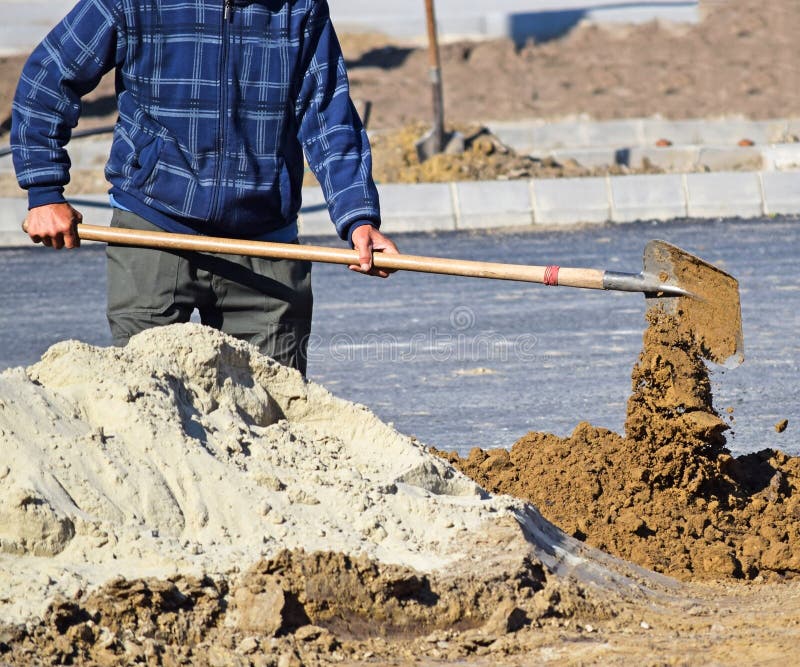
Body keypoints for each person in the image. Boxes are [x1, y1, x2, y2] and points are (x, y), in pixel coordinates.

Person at [12, 0, 397, 375]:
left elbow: (328, 115)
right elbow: (48, 77)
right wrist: (45, 191)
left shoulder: (299, 7)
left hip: (264, 242)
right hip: (154, 232)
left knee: (277, 419)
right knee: (148, 411)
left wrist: (358, 217)